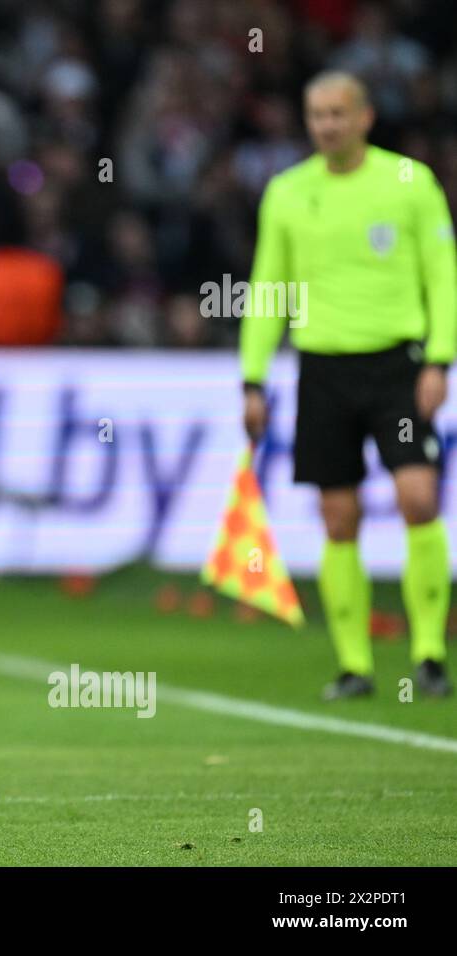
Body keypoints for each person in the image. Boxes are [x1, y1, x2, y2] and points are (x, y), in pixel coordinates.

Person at [241, 70, 455, 700]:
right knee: (339, 516)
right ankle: (355, 665)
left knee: (419, 496)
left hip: (398, 365)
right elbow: (266, 289)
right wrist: (251, 378)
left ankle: (430, 653)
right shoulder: (286, 192)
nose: (327, 124)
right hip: (324, 370)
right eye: (316, 115)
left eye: (338, 113)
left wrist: (439, 359)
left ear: (365, 116)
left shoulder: (410, 183)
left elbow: (443, 275)